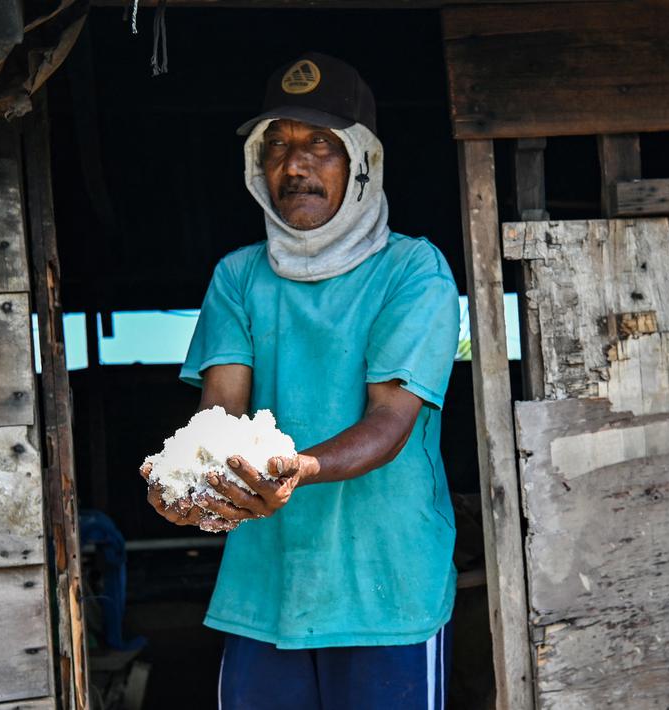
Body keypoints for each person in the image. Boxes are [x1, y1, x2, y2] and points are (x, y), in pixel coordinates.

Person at [142, 52, 460, 709]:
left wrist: (294, 468)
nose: (296, 166)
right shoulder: (238, 277)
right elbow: (219, 415)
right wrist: (184, 480)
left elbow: (389, 423)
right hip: (267, 586)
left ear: (362, 162)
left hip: (386, 586)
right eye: (277, 146)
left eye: (321, 145)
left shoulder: (412, 271)